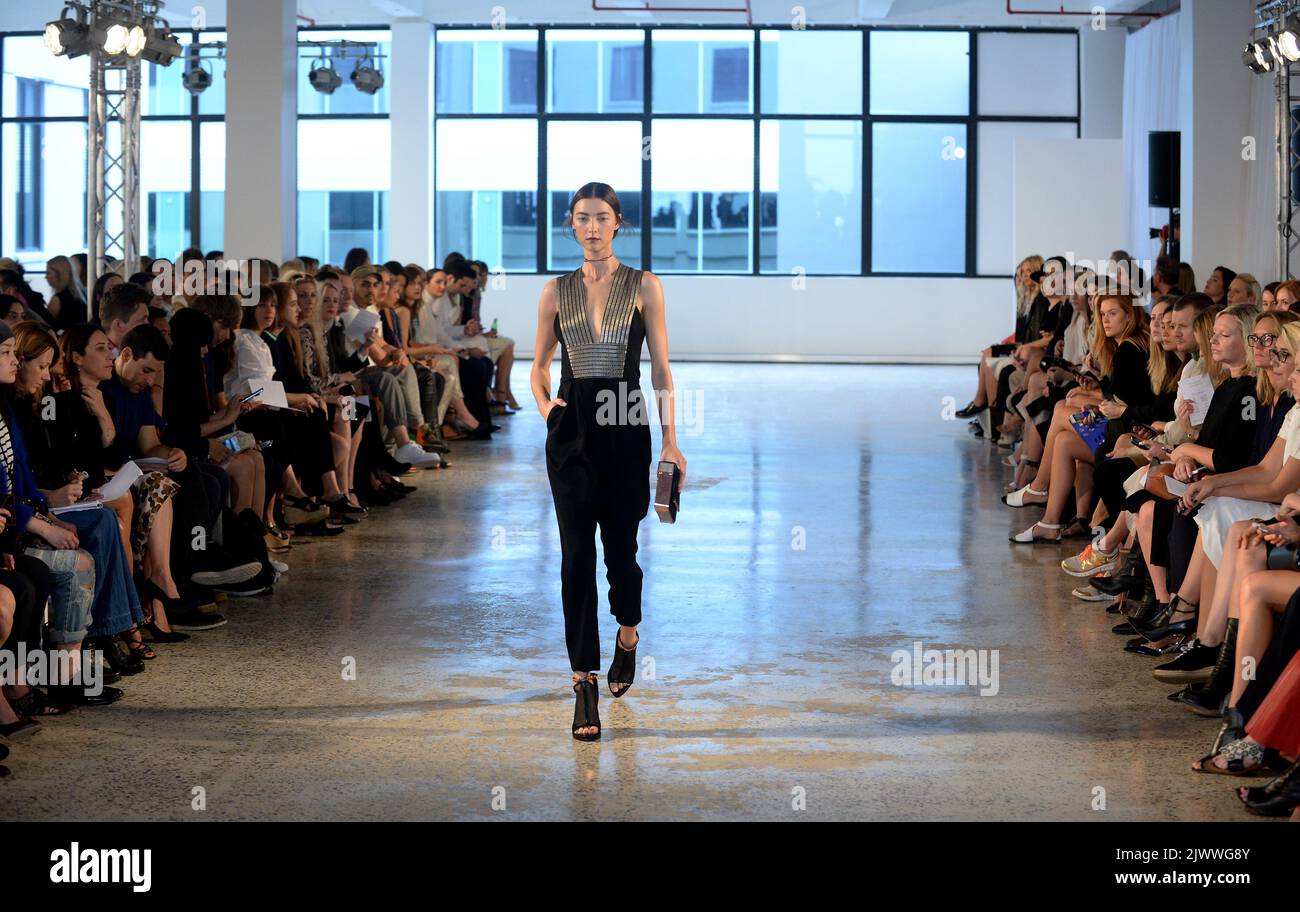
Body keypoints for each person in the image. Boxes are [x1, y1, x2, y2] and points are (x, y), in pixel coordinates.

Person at [531, 182, 686, 741]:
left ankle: (628, 635)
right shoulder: (555, 291)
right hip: (570, 434)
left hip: (624, 422)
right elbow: (538, 365)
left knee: (621, 555)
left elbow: (662, 370)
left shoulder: (645, 286)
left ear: (617, 222)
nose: (591, 228)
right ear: (570, 225)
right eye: (581, 219)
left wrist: (671, 439)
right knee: (575, 557)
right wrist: (549, 409)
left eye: (600, 218)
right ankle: (583, 683)